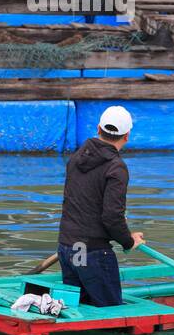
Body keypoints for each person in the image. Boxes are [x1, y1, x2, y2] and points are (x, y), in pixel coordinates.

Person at [57, 105, 145, 306]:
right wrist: (128, 242)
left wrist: (126, 236)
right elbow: (112, 216)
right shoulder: (116, 167)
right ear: (127, 136)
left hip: (67, 247)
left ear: (98, 129)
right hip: (92, 253)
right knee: (111, 314)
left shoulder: (75, 158)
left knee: (77, 309)